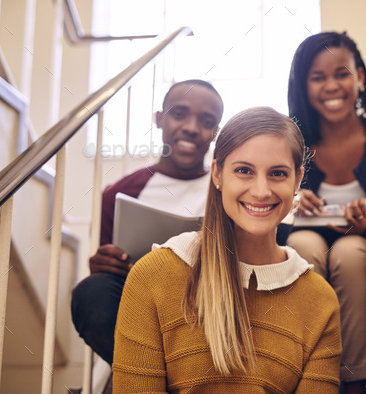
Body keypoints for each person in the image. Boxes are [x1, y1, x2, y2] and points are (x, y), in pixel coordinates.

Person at [112, 106, 341, 392]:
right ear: (218, 174)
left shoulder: (320, 301)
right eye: (244, 170)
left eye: (278, 173)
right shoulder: (153, 276)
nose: (261, 191)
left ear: (297, 180)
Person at [285, 31, 366, 393]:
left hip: (365, 244)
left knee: (350, 253)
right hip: (303, 238)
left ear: (361, 77)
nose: (332, 85)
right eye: (318, 77)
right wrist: (294, 200)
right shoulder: (289, 140)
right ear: (303, 84)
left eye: (342, 73)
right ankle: (307, 374)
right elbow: (267, 202)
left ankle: (359, 382)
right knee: (305, 244)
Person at [71, 79, 224, 365]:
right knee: (92, 292)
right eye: (179, 114)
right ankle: (151, 374)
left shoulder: (227, 189)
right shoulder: (120, 194)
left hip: (211, 308)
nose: (191, 127)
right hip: (145, 312)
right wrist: (102, 266)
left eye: (206, 121)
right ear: (159, 119)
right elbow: (106, 275)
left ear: (215, 132)